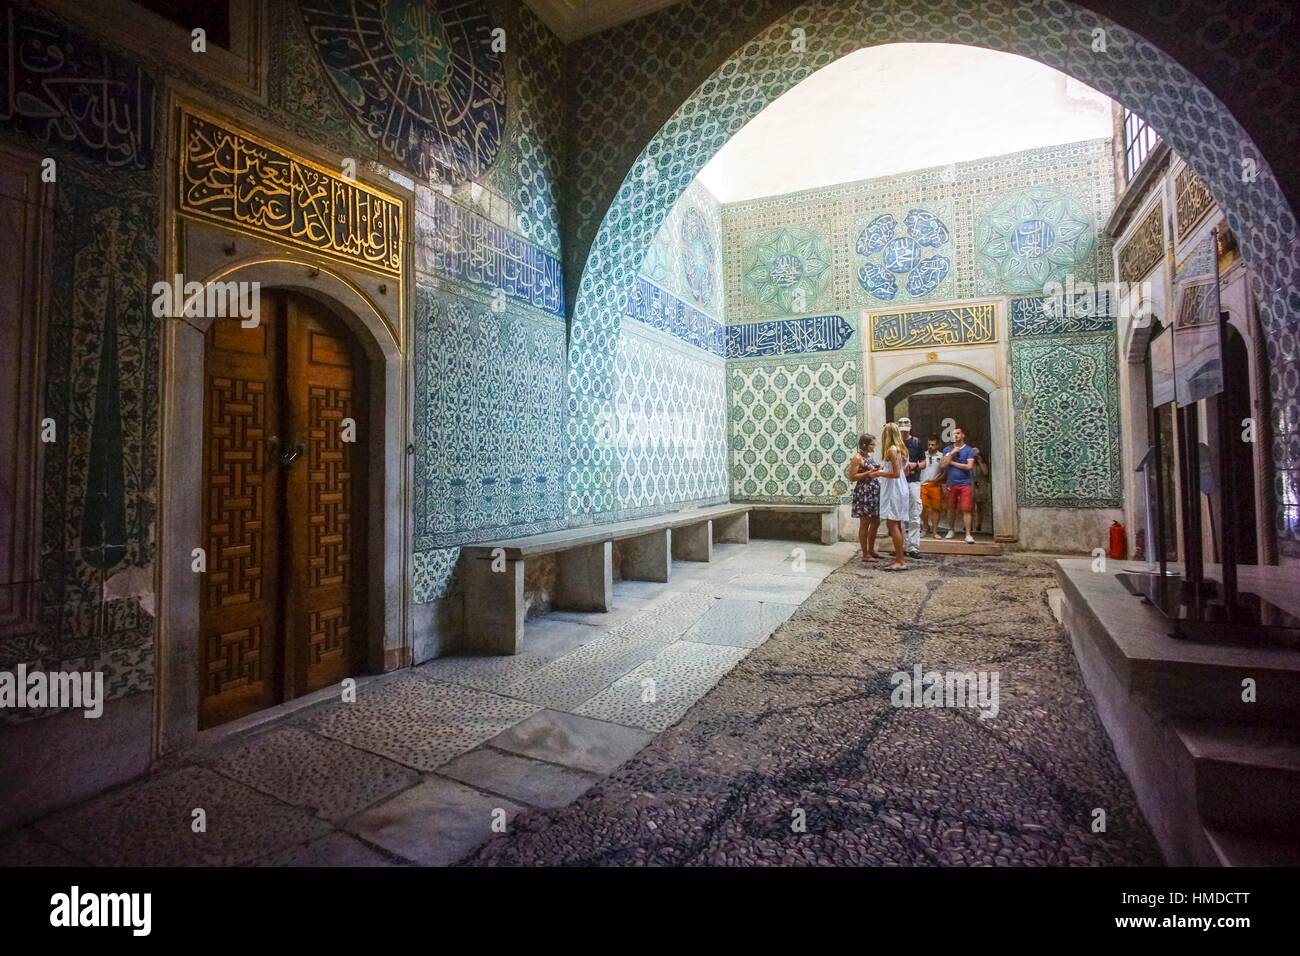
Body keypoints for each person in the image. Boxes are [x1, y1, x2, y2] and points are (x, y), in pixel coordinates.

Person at [876, 422, 911, 570]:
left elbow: (895, 474)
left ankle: (900, 561)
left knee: (892, 525)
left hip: (894, 490)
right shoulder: (901, 449)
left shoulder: (891, 450)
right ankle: (899, 558)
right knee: (896, 524)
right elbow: (905, 472)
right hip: (900, 488)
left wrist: (879, 473)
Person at [847, 433, 883, 562]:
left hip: (873, 491)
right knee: (865, 523)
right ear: (864, 445)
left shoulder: (868, 456)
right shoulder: (857, 458)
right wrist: (868, 473)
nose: (874, 446)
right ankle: (865, 553)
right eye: (872, 444)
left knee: (875, 521)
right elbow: (852, 477)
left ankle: (871, 550)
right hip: (864, 492)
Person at [941, 425, 979, 544]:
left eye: (958, 433)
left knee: (966, 509)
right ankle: (951, 530)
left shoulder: (969, 450)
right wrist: (952, 453)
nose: (956, 435)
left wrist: (951, 462)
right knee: (950, 508)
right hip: (951, 483)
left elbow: (969, 466)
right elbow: (942, 465)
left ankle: (968, 534)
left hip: (965, 483)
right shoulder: (947, 450)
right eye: (954, 434)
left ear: (963, 435)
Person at [898, 417, 924, 558]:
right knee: (900, 514)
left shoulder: (916, 442)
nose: (903, 434)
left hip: (913, 481)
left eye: (905, 431)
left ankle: (913, 546)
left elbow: (924, 463)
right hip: (899, 481)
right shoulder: (895, 443)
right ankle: (901, 545)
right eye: (901, 431)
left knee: (914, 513)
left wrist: (915, 465)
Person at [918, 434, 945, 537]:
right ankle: (925, 527)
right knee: (922, 507)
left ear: (937, 445)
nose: (930, 446)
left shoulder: (941, 456)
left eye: (933, 445)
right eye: (929, 444)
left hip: (935, 484)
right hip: (922, 484)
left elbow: (944, 472)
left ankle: (935, 531)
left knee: (936, 508)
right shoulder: (922, 455)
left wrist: (937, 480)